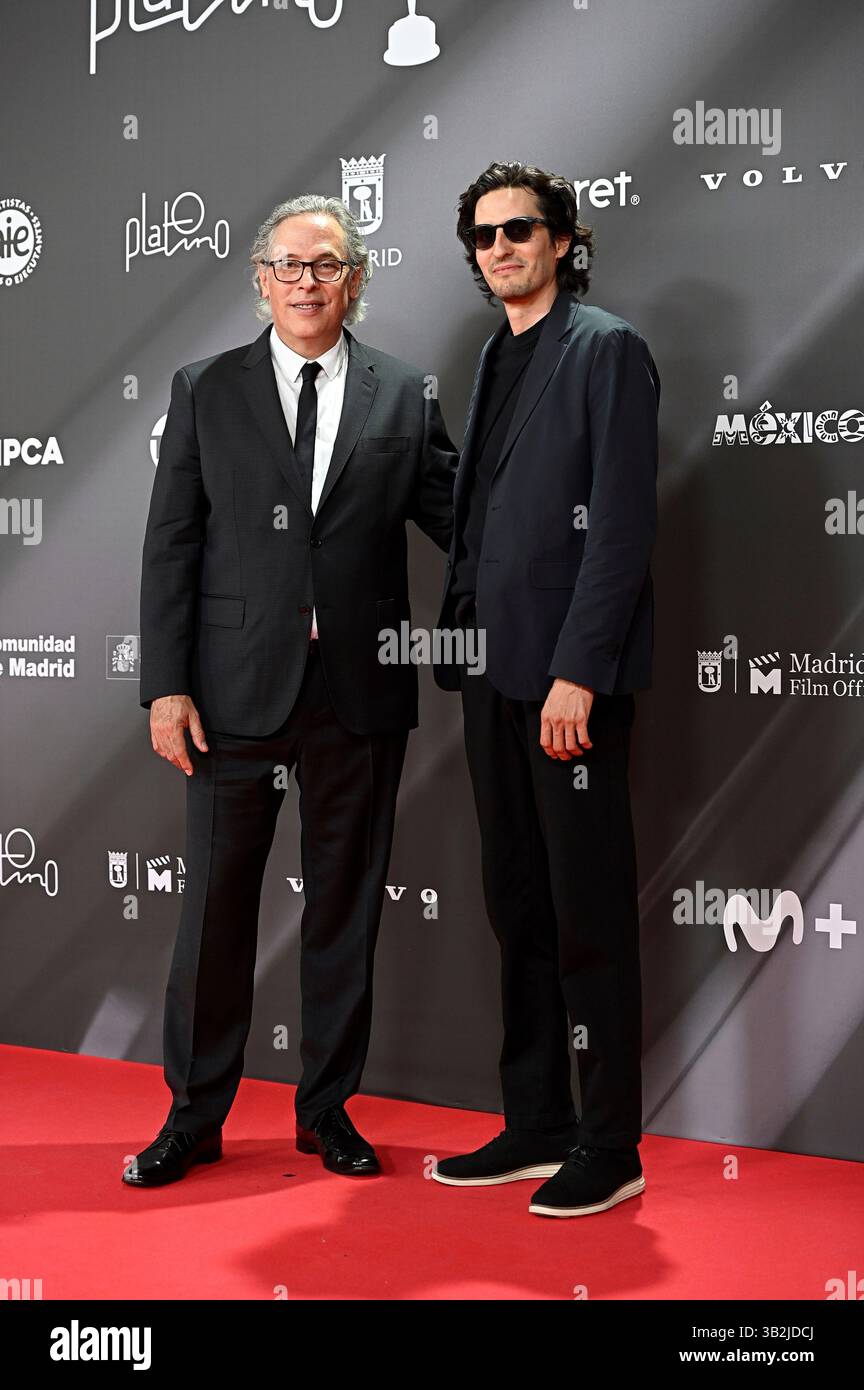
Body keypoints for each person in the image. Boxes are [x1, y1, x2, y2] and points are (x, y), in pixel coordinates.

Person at [127, 194, 457, 1186]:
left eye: (327, 264)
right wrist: (165, 687)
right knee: (216, 912)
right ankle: (193, 1114)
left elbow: (465, 520)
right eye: (289, 264)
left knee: (343, 911)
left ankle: (328, 1111)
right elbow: (171, 545)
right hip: (230, 691)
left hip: (358, 693)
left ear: (355, 280)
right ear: (261, 280)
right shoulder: (206, 389)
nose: (307, 280)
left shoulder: (402, 393)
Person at [431, 161, 660, 1218]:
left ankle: (610, 1143)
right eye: (483, 236)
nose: (500, 248)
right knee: (517, 903)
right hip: (492, 672)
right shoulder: (494, 358)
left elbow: (617, 529)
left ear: (562, 239)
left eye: (519, 229)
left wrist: (579, 670)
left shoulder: (604, 348)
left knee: (588, 914)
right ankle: (538, 1121)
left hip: (567, 681)